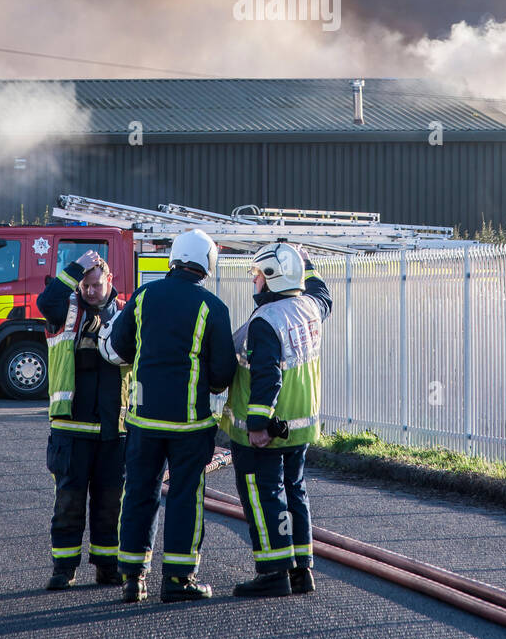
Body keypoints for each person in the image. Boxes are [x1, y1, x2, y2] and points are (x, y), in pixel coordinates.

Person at [98, 229, 236, 604]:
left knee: (139, 492)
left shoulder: (143, 297)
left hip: (142, 422)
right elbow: (223, 375)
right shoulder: (212, 307)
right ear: (208, 261)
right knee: (184, 498)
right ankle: (178, 580)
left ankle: (131, 577)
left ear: (174, 257)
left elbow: (118, 350)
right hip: (190, 426)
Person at [219, 242, 332, 597]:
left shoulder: (267, 321)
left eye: (256, 275)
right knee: (294, 491)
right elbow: (322, 293)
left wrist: (256, 426)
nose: (254, 281)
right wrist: (306, 261)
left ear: (270, 278)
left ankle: (272, 572)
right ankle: (301, 570)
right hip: (300, 429)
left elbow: (268, 376)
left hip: (267, 431)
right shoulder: (309, 308)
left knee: (263, 494)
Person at [36, 248, 130, 590]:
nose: (90, 291)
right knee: (69, 501)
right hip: (71, 428)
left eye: (96, 284)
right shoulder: (66, 310)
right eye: (85, 285)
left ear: (110, 281)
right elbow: (46, 301)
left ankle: (108, 567)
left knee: (111, 503)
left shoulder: (124, 313)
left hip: (113, 430)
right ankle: (64, 569)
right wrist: (76, 268)